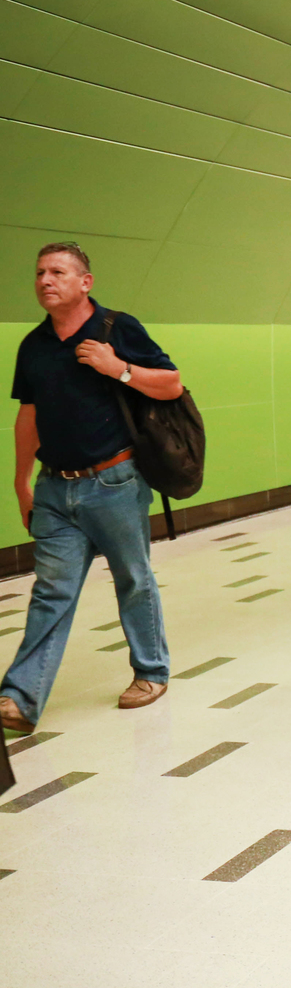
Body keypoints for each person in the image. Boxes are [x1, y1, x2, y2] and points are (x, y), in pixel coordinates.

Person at [2, 243, 181, 733]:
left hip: (115, 482)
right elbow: (28, 414)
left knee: (133, 579)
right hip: (55, 489)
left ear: (85, 282)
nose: (45, 280)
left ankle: (151, 672)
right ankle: (20, 696)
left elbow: (171, 384)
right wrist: (21, 481)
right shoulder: (34, 346)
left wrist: (117, 367)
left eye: (57, 271)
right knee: (51, 591)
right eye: (39, 272)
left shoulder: (116, 329)